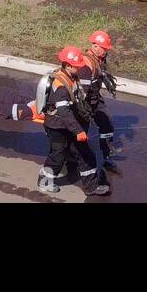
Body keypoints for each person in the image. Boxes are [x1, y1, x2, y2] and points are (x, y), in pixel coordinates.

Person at [38, 46, 111, 197]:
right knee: (58, 155)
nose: (79, 68)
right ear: (67, 65)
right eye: (76, 66)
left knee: (85, 154)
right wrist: (78, 131)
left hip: (68, 124)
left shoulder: (72, 78)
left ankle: (91, 187)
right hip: (57, 127)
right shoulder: (60, 86)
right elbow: (64, 112)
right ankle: (44, 182)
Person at [80, 31, 119, 169]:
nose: (106, 51)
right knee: (80, 133)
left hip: (95, 97)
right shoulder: (86, 64)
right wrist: (83, 110)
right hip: (85, 101)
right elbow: (82, 91)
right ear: (95, 46)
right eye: (104, 48)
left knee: (106, 122)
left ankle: (107, 154)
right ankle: (69, 161)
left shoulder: (100, 59)